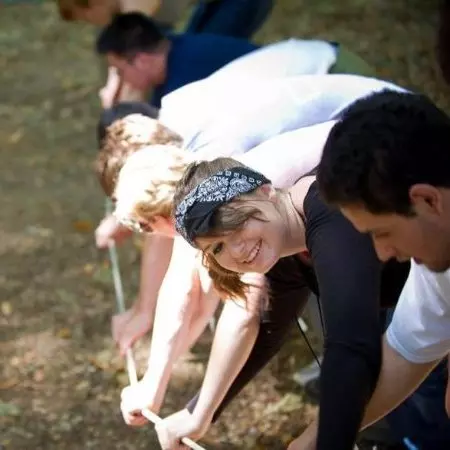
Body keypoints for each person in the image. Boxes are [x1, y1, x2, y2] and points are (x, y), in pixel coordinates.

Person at [102, 74, 406, 354]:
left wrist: (160, 387)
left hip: (393, 136)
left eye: (144, 227)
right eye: (217, 247)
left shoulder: (226, 183)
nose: (234, 247)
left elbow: (224, 301)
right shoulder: (208, 183)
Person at [154, 155, 409, 450]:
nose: (237, 249)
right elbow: (263, 330)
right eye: (218, 246)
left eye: (237, 223)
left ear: (266, 191)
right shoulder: (284, 249)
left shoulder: (329, 210)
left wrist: (315, 439)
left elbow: (352, 348)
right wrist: (199, 413)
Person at [315, 89, 450, 448]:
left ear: (426, 200)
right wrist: (315, 440)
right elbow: (409, 348)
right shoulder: (438, 252)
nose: (383, 253)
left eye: (382, 232)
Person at [95, 12, 259, 108]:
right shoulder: (176, 45)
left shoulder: (182, 91)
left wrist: (121, 114)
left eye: (120, 71)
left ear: (142, 61)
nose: (121, 79)